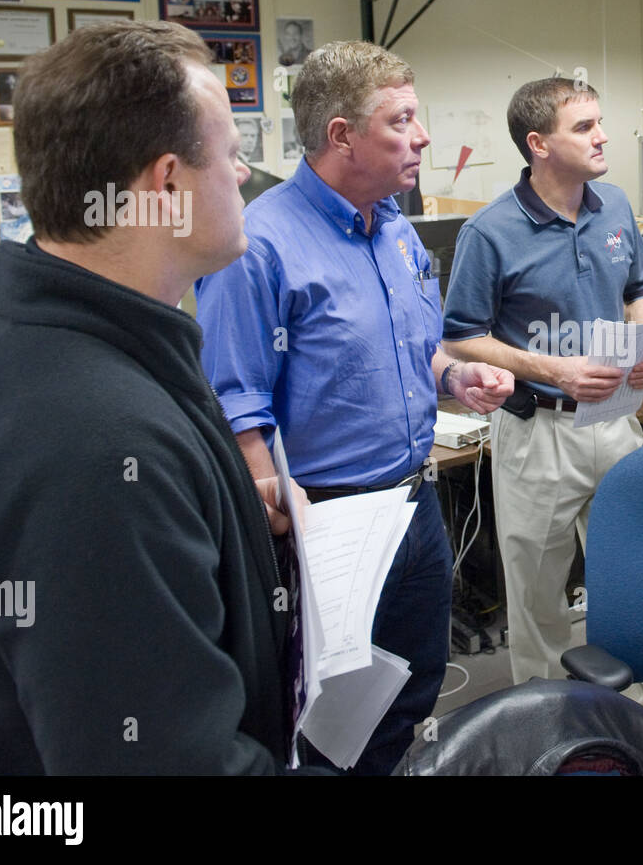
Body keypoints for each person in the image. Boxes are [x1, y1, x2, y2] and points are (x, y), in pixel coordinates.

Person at [0, 20, 306, 774]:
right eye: (232, 156)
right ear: (166, 185)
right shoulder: (95, 440)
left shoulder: (34, 331)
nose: (243, 177)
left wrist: (227, 518)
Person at [195, 40, 513, 775]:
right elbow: (234, 398)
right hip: (325, 524)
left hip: (414, 507)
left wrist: (456, 379)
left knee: (408, 690)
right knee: (325, 720)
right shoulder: (259, 245)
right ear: (342, 136)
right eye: (402, 120)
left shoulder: (395, 228)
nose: (423, 135)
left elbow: (415, 350)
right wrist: (278, 521)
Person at [442, 78, 643, 687]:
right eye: (584, 127)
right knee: (540, 594)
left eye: (600, 121)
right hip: (539, 435)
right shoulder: (489, 233)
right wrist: (556, 370)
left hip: (616, 418)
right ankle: (548, 720)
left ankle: (634, 709)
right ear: (538, 144)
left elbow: (639, 288)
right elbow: (461, 336)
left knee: (632, 574)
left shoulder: (614, 205)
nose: (602, 136)